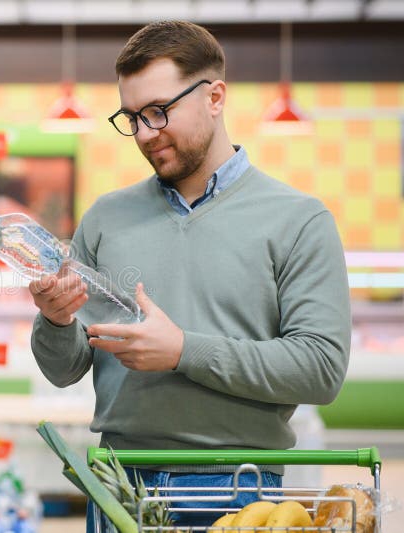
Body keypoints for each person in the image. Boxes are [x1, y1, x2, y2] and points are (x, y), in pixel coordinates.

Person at [28, 20, 351, 528]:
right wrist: (55, 320)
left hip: (242, 489)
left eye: (159, 112)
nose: (144, 134)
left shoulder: (298, 220)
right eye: (131, 117)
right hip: (119, 481)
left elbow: (321, 369)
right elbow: (64, 368)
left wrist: (183, 351)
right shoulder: (106, 218)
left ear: (215, 97)